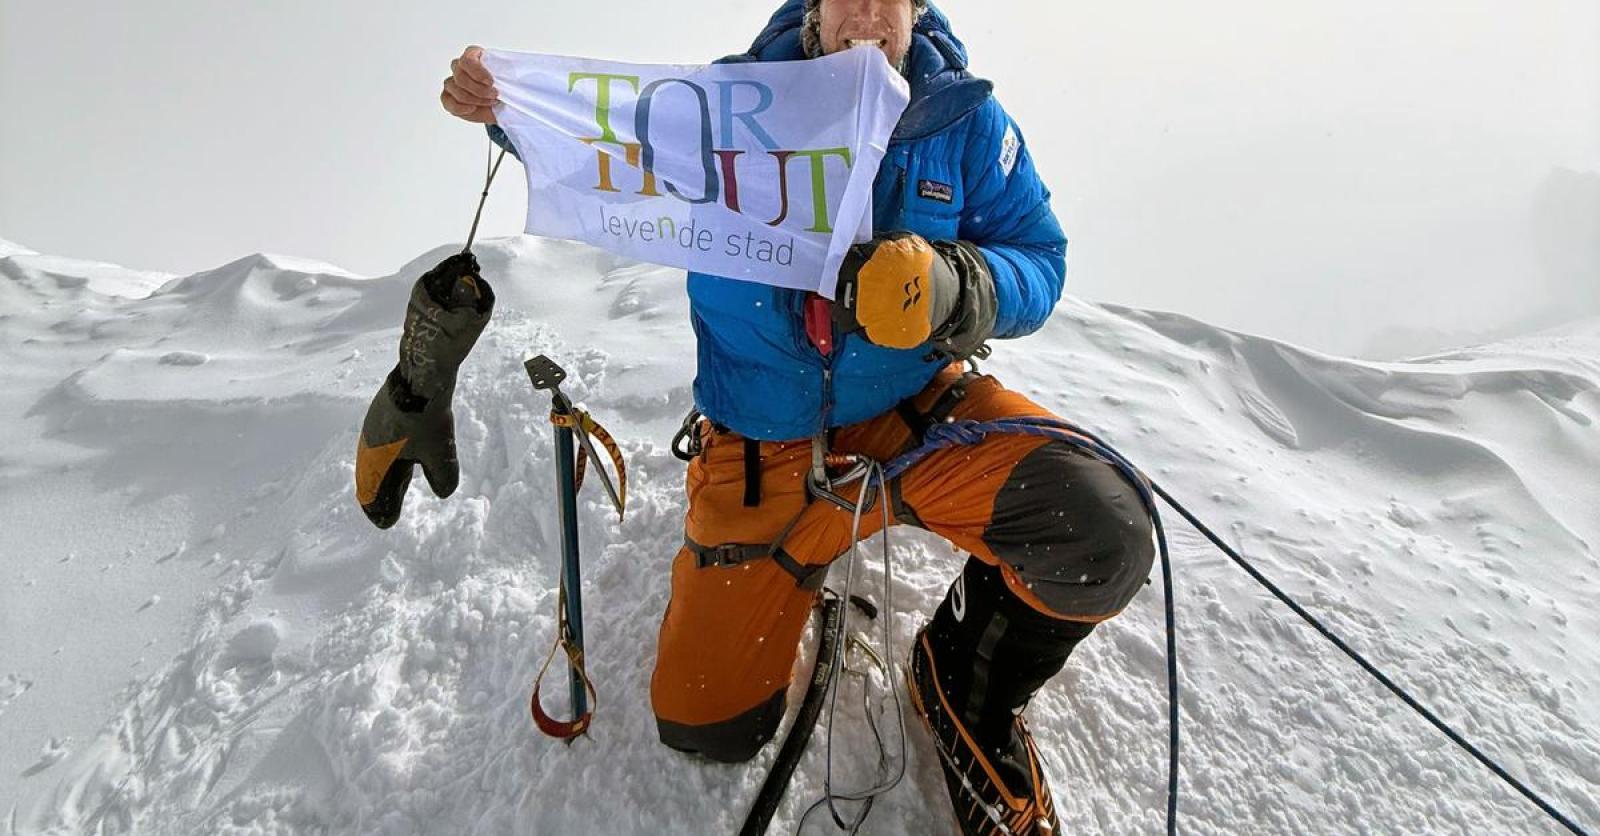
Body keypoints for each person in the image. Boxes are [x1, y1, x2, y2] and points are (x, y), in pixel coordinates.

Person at [440, 2, 1157, 832]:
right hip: (761, 445)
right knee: (707, 722)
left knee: (1101, 530)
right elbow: (604, 143)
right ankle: (787, 560)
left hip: (915, 420)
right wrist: (507, 107)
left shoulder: (962, 117)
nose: (866, 14)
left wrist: (957, 284)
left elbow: (1039, 255)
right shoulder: (727, 104)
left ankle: (961, 679)